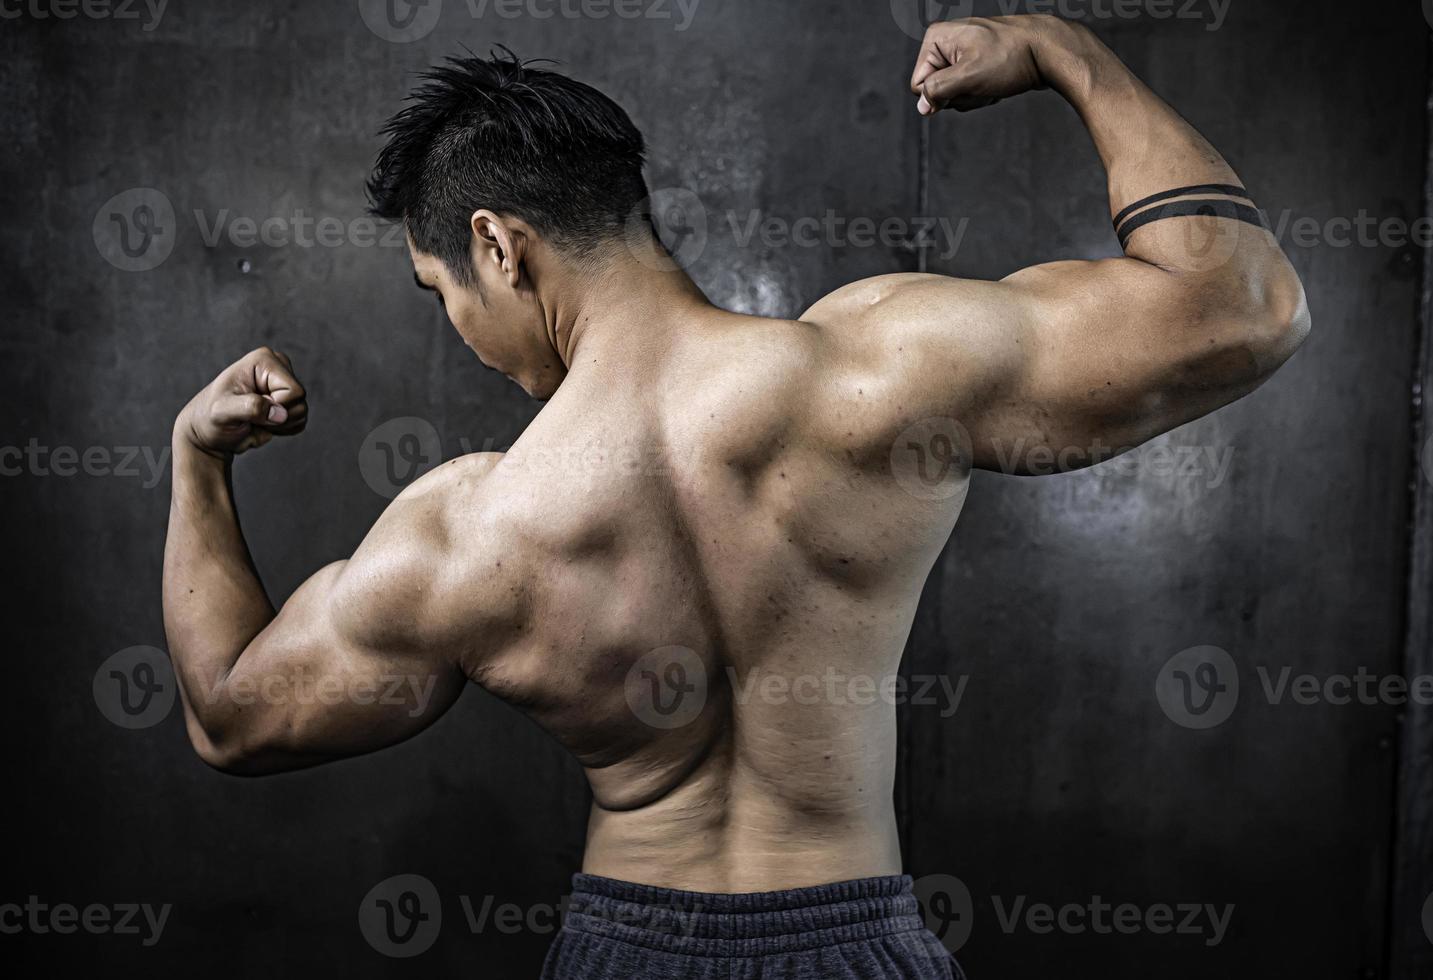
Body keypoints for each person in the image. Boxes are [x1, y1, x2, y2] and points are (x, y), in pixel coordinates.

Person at [162, 15, 1309, 979]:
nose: (457, 327)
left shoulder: (470, 528)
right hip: (858, 933)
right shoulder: (880, 374)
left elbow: (230, 716)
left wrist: (194, 459)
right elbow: (1244, 307)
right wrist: (1060, 48)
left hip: (626, 945)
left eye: (439, 292)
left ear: (498, 246)